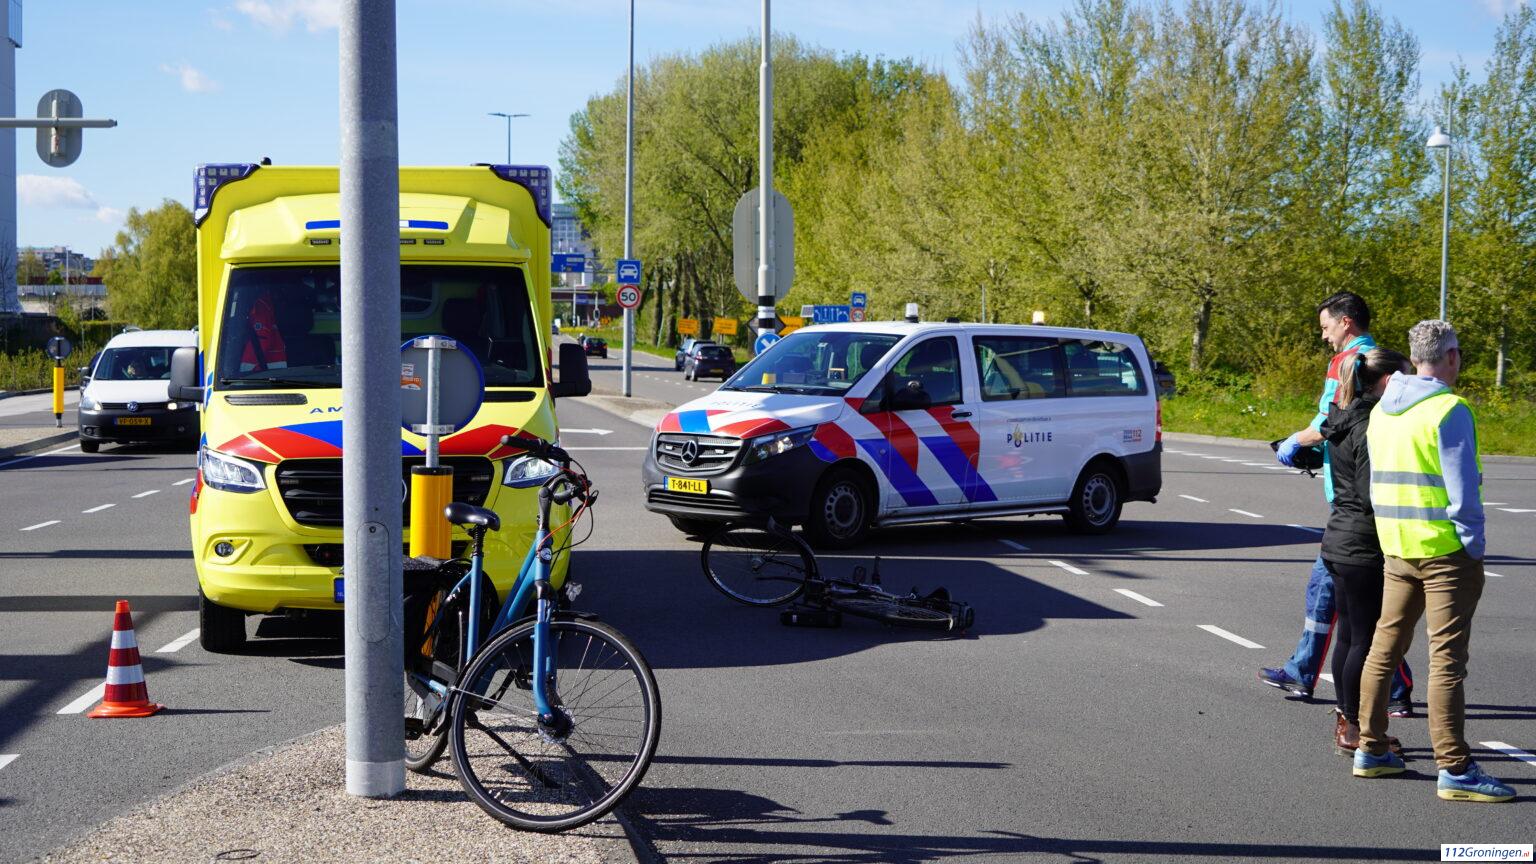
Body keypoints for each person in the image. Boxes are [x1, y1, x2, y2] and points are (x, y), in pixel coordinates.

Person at [1351, 321, 1514, 803]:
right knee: (1446, 661)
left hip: (1398, 545)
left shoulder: (1383, 409)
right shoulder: (1450, 409)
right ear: (1451, 357)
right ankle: (1455, 768)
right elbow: (1463, 493)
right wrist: (1474, 546)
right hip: (1445, 551)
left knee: (1385, 648)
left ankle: (1371, 748)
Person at [1260, 292, 1414, 713]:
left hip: (1355, 507)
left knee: (1350, 610)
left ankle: (1387, 692)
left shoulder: (1350, 363)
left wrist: (1292, 444)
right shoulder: (1379, 358)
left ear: (1346, 323)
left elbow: (1328, 421)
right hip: (1354, 503)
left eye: (1327, 327)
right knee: (1342, 604)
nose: (1325, 336)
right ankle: (1307, 670)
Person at [1318, 347, 1412, 757]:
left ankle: (1347, 721)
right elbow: (1368, 491)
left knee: (1348, 638)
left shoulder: (1344, 415)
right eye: (1407, 377)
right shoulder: (1373, 423)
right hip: (1361, 544)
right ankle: (1355, 728)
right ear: (1389, 382)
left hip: (1337, 538)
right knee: (1364, 642)